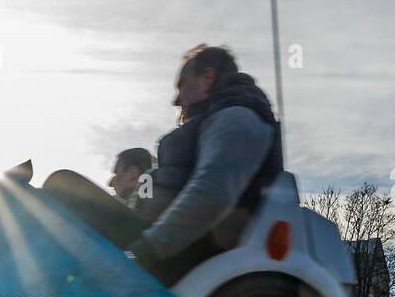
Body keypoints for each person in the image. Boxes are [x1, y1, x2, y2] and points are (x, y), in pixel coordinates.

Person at [44, 43, 282, 283]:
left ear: (207, 77)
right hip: (166, 239)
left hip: (174, 250)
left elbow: (212, 192)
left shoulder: (237, 118)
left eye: (182, 85)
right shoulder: (224, 118)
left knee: (64, 186)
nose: (177, 99)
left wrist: (144, 252)